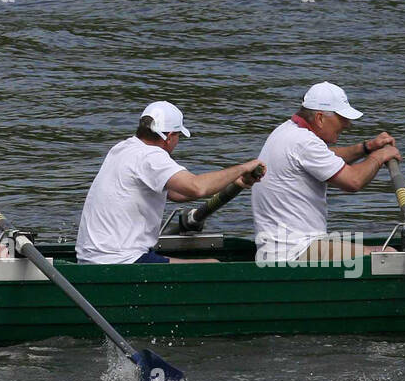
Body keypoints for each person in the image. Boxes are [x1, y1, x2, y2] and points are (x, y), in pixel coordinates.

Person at [76, 101, 264, 264]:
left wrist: (236, 181)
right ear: (169, 137)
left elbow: (178, 193)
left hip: (92, 257)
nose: (177, 142)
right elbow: (197, 188)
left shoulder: (122, 148)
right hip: (121, 261)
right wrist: (242, 168)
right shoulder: (151, 156)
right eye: (178, 137)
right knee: (213, 264)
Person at [250, 82, 401, 263]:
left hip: (284, 248)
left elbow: (327, 157)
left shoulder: (287, 131)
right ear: (320, 117)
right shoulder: (303, 142)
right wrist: (380, 157)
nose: (347, 125)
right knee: (389, 255)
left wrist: (366, 148)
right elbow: (354, 181)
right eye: (342, 118)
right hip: (293, 252)